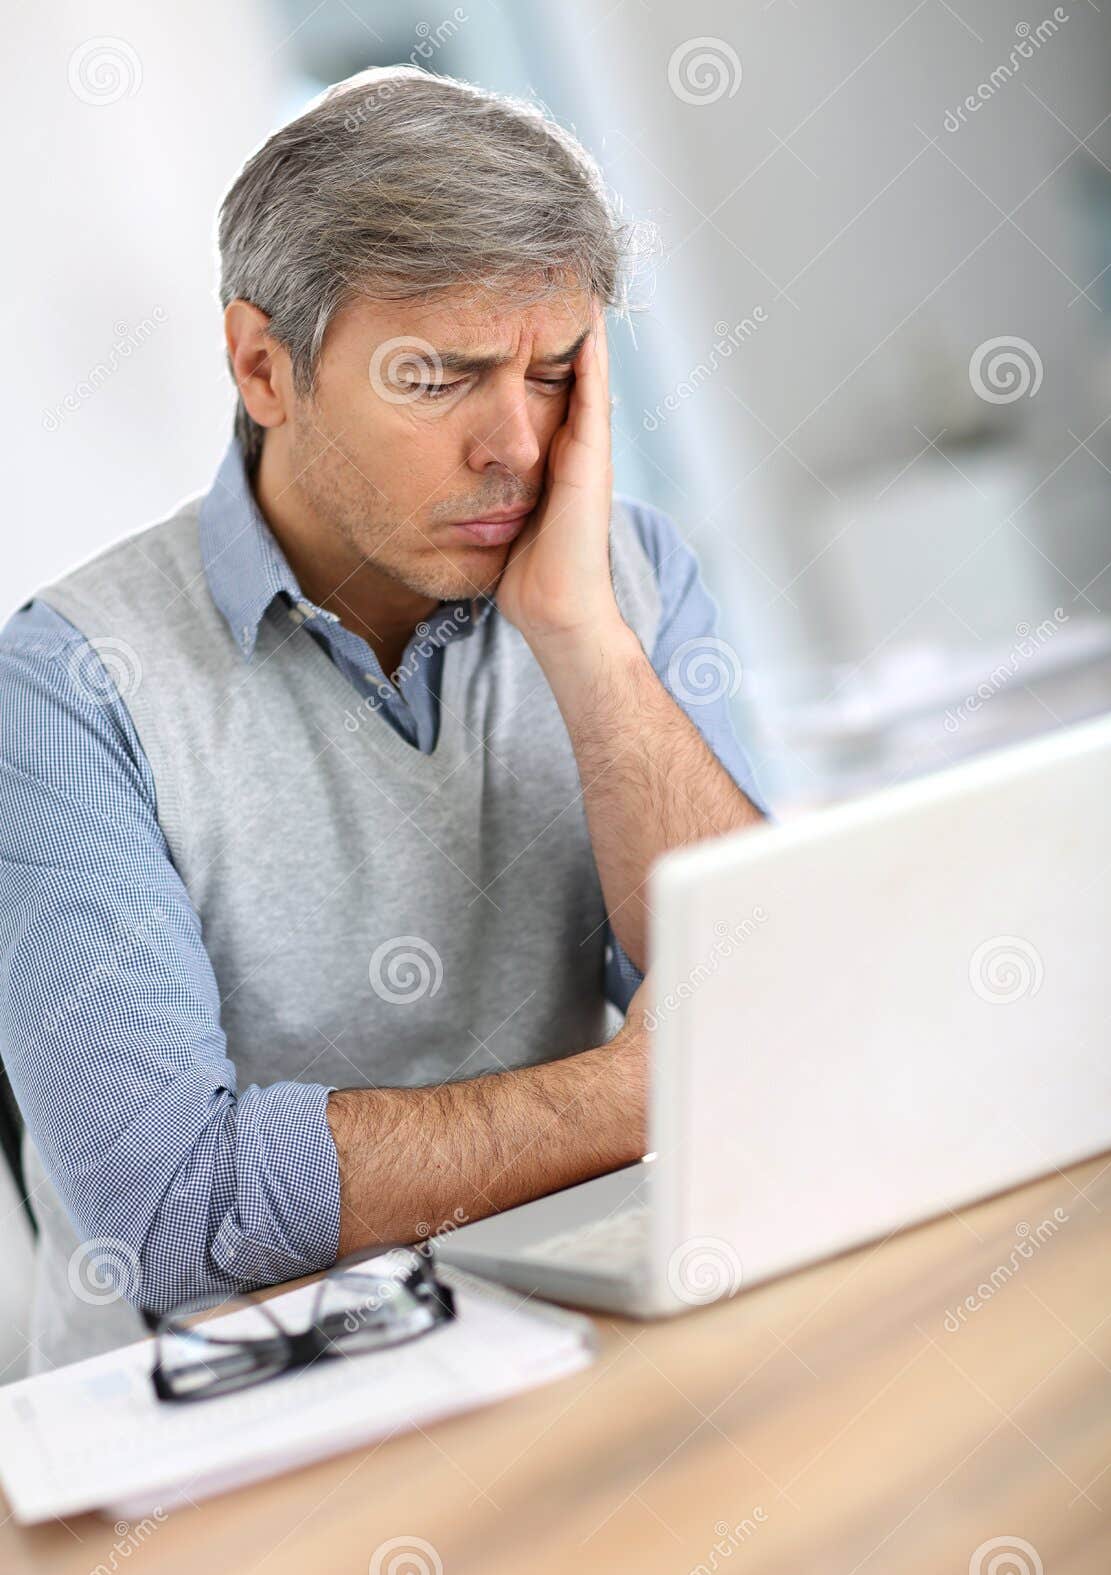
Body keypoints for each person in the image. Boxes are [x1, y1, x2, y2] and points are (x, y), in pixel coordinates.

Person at [0, 67, 763, 1371]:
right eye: (441, 379)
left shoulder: (622, 577)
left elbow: (764, 1018)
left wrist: (587, 645)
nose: (520, 447)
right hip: (208, 1423)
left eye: (558, 372)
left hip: (556, 1323)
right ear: (264, 367)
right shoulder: (64, 688)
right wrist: (633, 1092)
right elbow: (181, 1210)